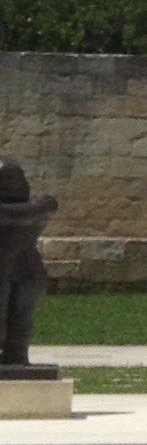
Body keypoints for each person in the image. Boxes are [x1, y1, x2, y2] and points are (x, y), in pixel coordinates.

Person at [0, 158, 58, 368]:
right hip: (26, 271)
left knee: (19, 320)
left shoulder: (20, 214)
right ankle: (15, 357)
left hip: (15, 270)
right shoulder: (37, 211)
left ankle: (15, 358)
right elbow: (47, 203)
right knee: (19, 320)